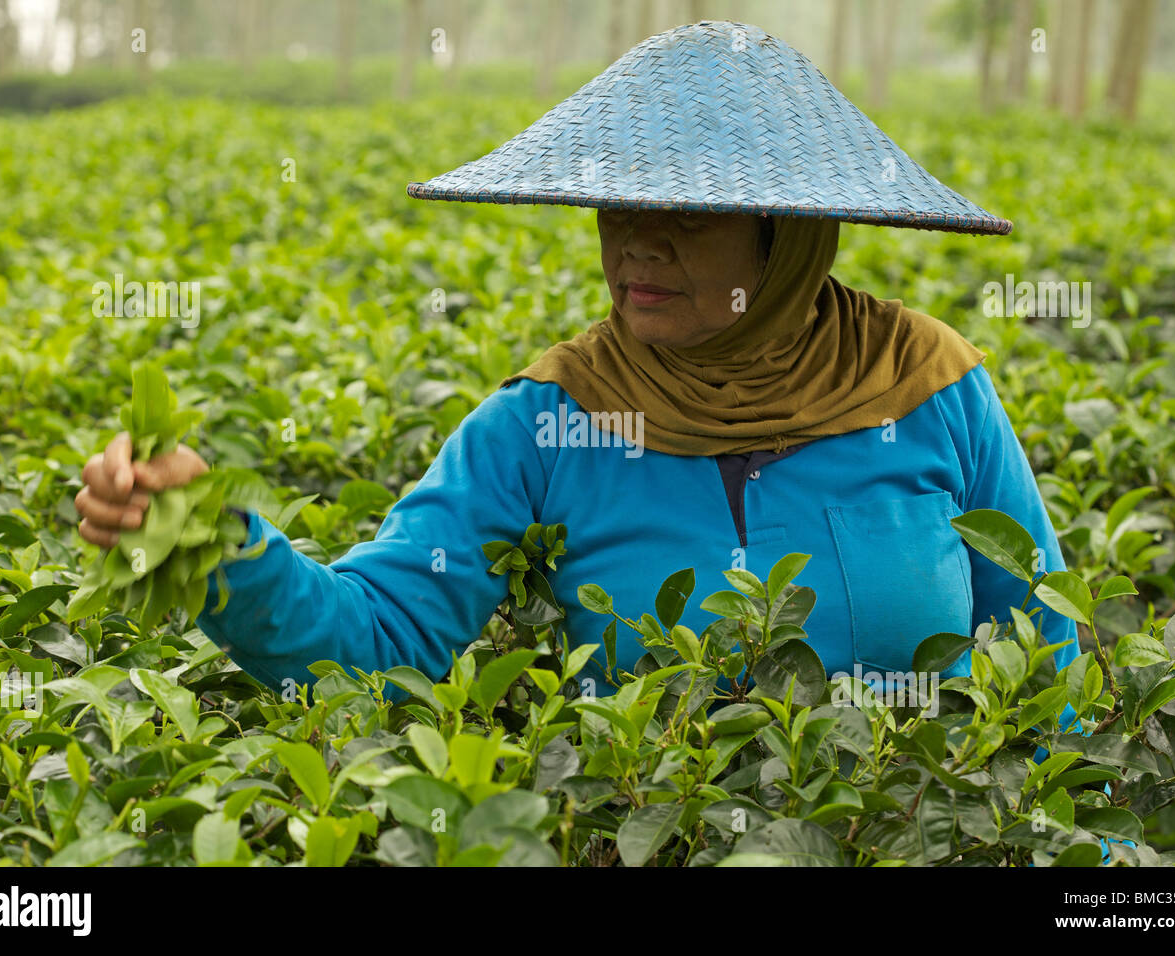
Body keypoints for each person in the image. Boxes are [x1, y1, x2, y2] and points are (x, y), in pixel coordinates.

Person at [73, 21, 1080, 708]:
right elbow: (376, 634)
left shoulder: (926, 385)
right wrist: (212, 539)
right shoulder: (545, 424)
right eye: (615, 208)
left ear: (788, 233)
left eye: (686, 214)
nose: (636, 246)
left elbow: (1045, 655)